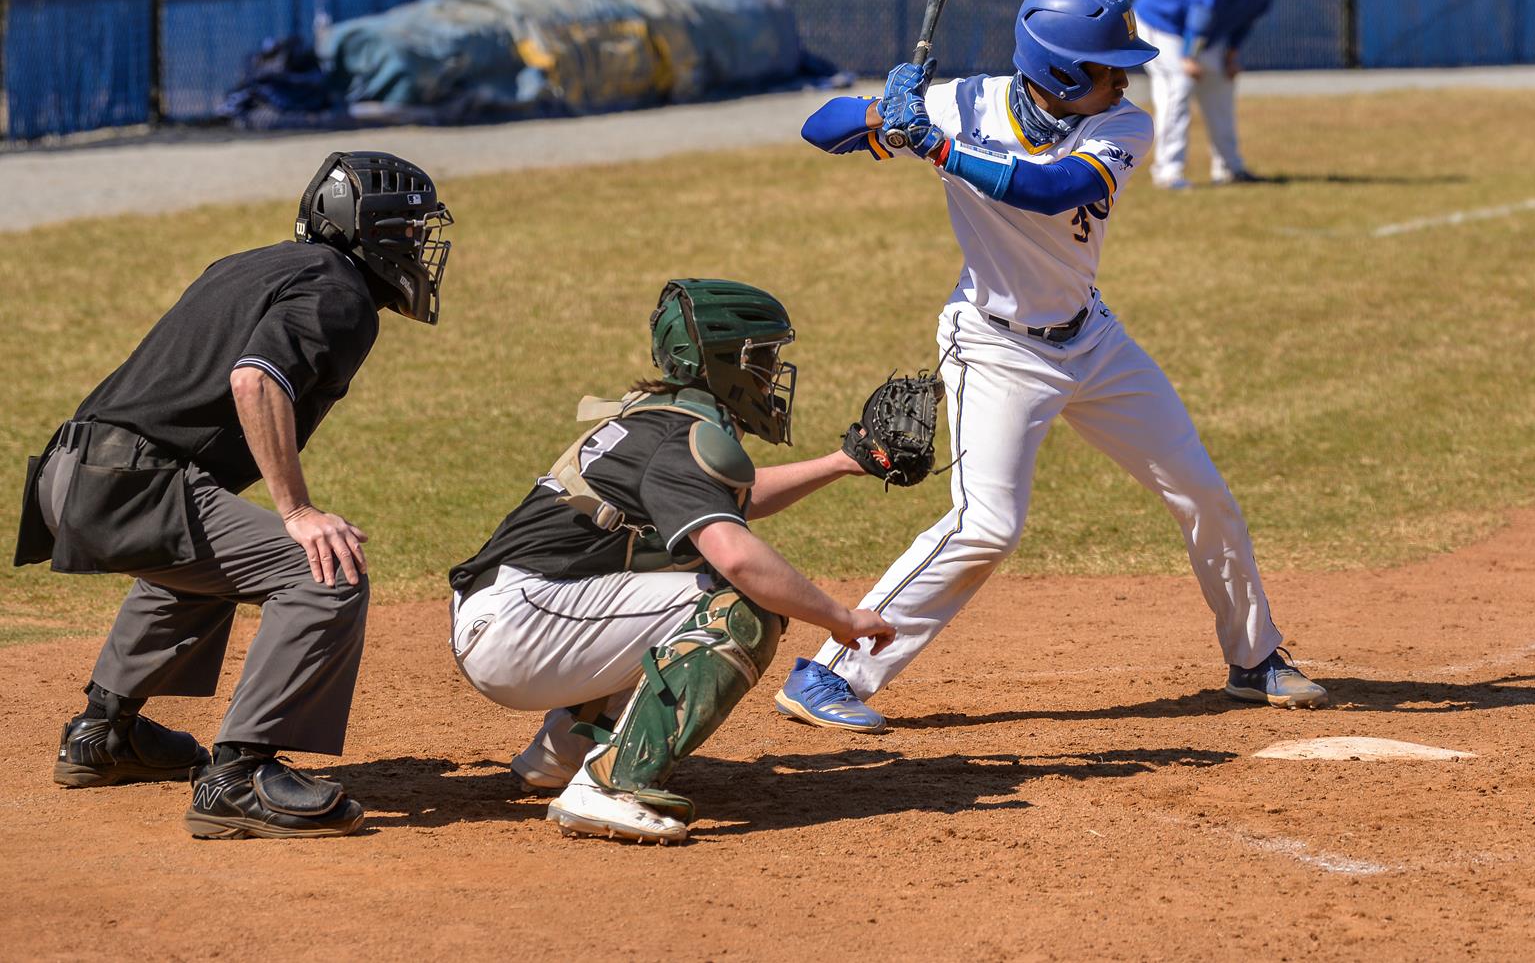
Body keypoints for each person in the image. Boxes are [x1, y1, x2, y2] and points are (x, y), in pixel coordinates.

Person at [777, 0, 1327, 733]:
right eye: (1109, 66)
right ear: (1064, 74)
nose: (1125, 78)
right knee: (986, 527)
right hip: (994, 347)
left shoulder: (1123, 126)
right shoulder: (964, 103)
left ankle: (1255, 657)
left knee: (1201, 489)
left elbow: (1049, 186)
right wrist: (880, 112)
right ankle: (828, 674)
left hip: (1093, 340)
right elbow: (818, 125)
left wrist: (935, 143)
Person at [16, 152, 453, 838]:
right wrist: (299, 512)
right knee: (324, 570)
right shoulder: (340, 290)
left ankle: (103, 733)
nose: (418, 248)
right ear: (368, 232)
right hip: (129, 483)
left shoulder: (256, 262)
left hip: (69, 473)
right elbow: (256, 379)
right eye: (408, 230)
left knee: (203, 554)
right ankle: (239, 773)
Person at [449, 279, 897, 844]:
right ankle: (611, 786)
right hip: (520, 627)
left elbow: (733, 502)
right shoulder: (682, 437)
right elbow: (738, 558)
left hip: (517, 613)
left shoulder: (662, 420)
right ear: (722, 362)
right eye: (763, 357)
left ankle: (567, 750)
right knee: (741, 603)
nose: (771, 373)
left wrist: (839, 463)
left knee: (684, 578)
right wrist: (842, 618)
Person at [1132, 0, 1285, 189]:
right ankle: (1168, 172)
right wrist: (1189, 56)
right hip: (1162, 22)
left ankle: (1229, 169)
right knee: (1179, 84)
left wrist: (1231, 53)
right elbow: (1201, 13)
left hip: (1208, 33)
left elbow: (1250, 14)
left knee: (1221, 86)